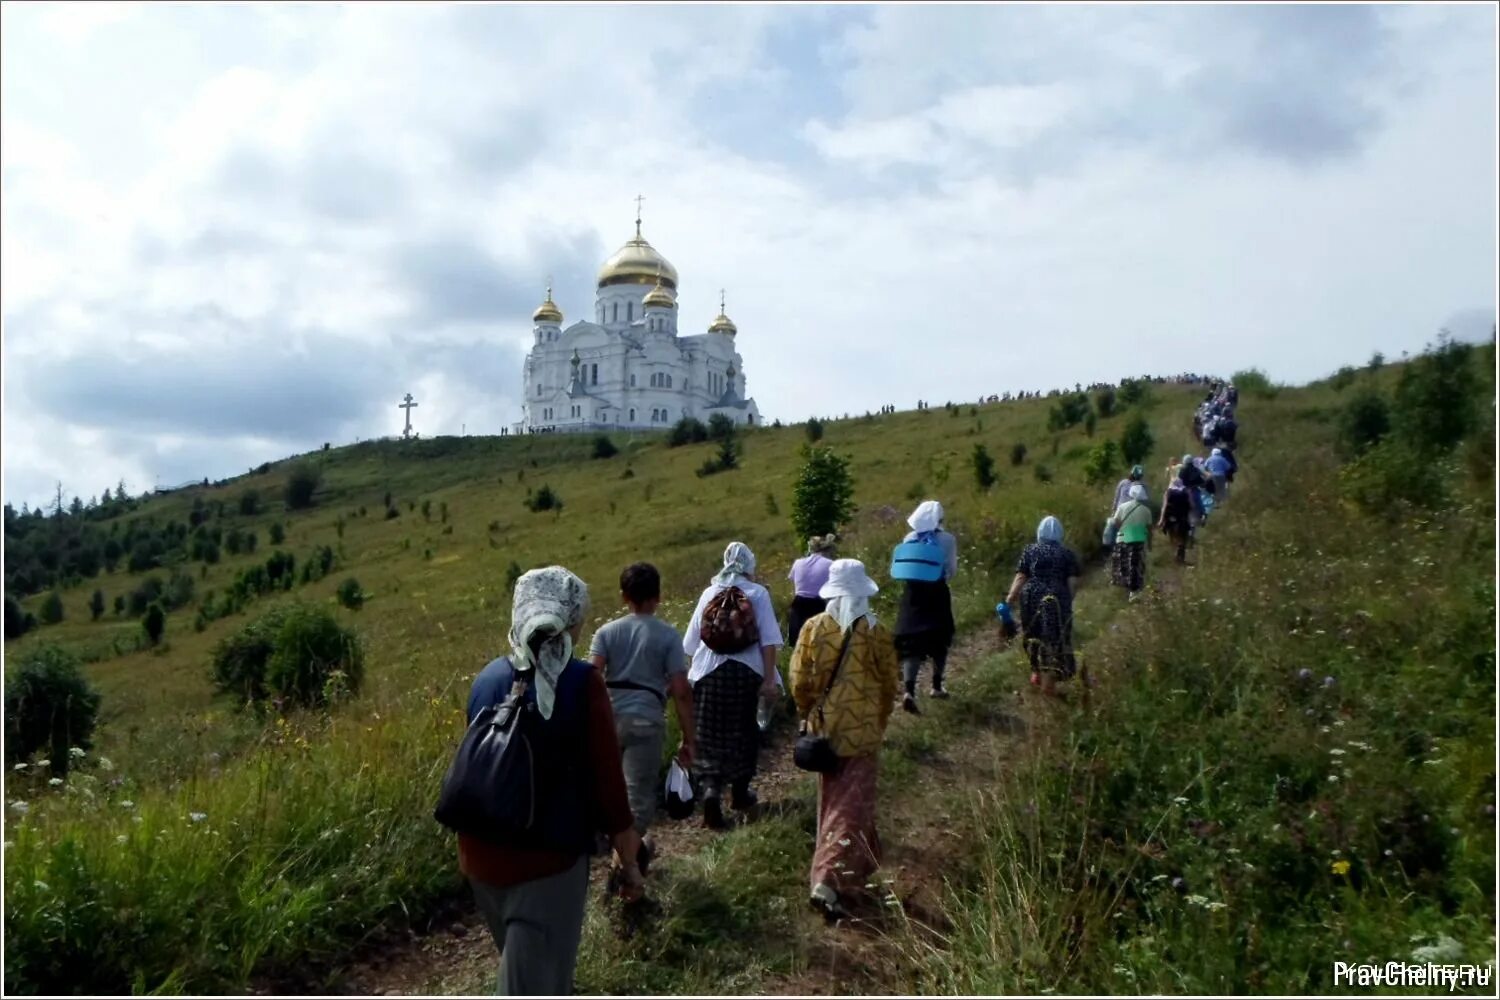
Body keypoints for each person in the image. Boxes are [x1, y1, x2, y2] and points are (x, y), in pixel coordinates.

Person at [460, 567, 642, 996]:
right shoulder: (581, 683)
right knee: (539, 982)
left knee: (525, 971)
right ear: (570, 618)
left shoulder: (486, 679)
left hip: (479, 857)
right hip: (546, 864)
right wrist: (628, 861)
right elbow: (609, 785)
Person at [790, 559, 900, 922]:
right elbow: (888, 684)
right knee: (852, 809)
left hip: (826, 732)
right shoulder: (875, 631)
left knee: (835, 803)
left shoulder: (813, 628)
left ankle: (857, 877)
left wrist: (808, 713)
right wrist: (880, 720)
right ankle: (827, 881)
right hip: (863, 731)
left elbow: (800, 681)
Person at [588, 562, 696, 879]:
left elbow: (592, 676)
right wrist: (690, 739)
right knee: (637, 803)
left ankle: (620, 861)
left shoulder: (606, 633)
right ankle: (626, 872)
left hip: (608, 723)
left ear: (624, 597)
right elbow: (681, 691)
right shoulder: (667, 636)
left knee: (611, 795)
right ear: (658, 596)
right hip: (646, 722)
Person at [683, 542, 784, 829]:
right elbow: (769, 640)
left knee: (709, 734)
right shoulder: (758, 593)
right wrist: (768, 680)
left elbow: (691, 643)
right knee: (743, 733)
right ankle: (739, 793)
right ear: (750, 564)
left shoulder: (708, 593)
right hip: (746, 673)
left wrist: (694, 676)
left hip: (708, 674)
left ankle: (712, 791)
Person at [1005, 516, 1085, 695]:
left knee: (1033, 635)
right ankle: (1050, 682)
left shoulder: (1030, 550)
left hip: (1031, 598)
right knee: (1055, 639)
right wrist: (1066, 601)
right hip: (1056, 598)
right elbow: (1073, 583)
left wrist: (1010, 598)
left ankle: (1036, 672)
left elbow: (1021, 577)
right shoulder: (1067, 554)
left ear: (1039, 532)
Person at [893, 499, 958, 714]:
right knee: (940, 638)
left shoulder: (909, 539)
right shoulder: (948, 539)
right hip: (936, 592)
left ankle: (909, 691)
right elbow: (951, 569)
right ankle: (936, 686)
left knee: (912, 641)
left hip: (912, 594)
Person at [787, 535, 838, 650]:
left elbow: (793, 587)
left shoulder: (798, 563)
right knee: (819, 648)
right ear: (827, 550)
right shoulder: (830, 564)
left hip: (798, 605)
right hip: (818, 605)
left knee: (798, 646)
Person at [1109, 484, 1153, 595]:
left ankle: (1124, 587)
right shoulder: (1146, 511)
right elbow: (1149, 529)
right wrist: (1150, 543)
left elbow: (1116, 522)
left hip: (1123, 538)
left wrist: (1123, 530)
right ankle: (1134, 590)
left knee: (1122, 563)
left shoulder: (1122, 507)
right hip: (1139, 540)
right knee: (1135, 565)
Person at [1159, 475, 1193, 564]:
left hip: (1171, 518)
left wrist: (1161, 520)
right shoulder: (1186, 491)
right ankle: (1180, 557)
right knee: (1182, 538)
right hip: (1183, 518)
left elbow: (1164, 506)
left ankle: (1175, 556)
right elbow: (1192, 505)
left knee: (1172, 536)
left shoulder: (1168, 492)